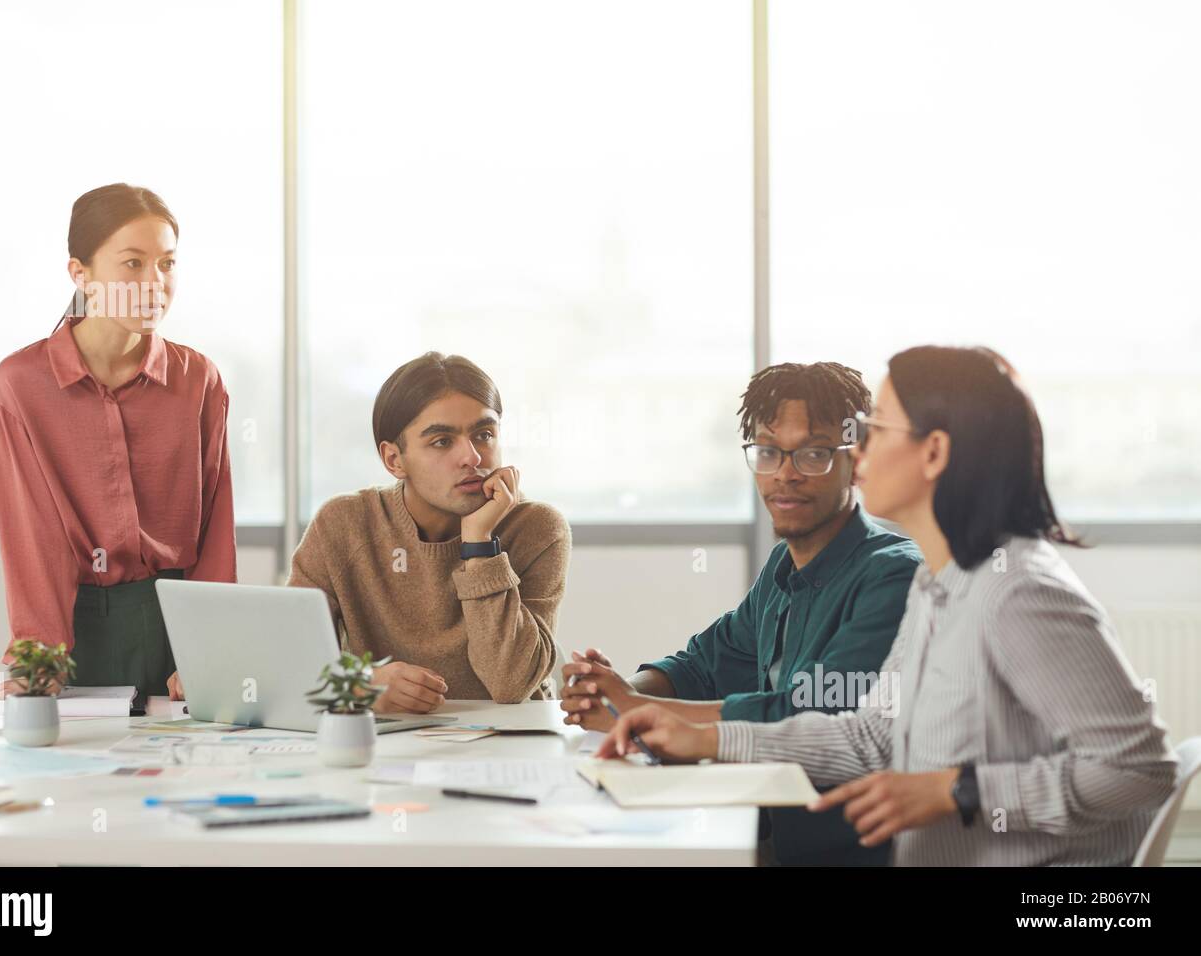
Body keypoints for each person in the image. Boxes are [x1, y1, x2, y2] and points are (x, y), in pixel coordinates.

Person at [599, 346, 1176, 866]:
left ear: (934, 452)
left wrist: (957, 791)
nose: (860, 448)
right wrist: (708, 737)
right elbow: (871, 738)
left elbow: (1141, 771)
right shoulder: (940, 581)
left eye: (874, 431)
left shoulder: (1019, 592)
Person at [561, 361, 921, 864]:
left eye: (814, 453)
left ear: (856, 459)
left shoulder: (893, 574)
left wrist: (637, 712)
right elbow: (706, 663)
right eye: (769, 452)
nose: (786, 473)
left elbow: (815, 714)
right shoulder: (784, 563)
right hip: (769, 837)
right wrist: (617, 688)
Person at [0, 183, 236, 709]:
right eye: (133, 263)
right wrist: (38, 664)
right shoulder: (20, 385)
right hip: (76, 636)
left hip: (181, 633)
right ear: (79, 273)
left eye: (167, 264)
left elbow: (216, 528)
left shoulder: (198, 378)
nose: (154, 283)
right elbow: (33, 537)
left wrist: (210, 651)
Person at [288, 352, 570, 712]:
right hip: (390, 744)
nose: (472, 457)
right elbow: (291, 664)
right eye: (441, 441)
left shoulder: (537, 528)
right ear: (394, 460)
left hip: (512, 739)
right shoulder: (343, 525)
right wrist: (361, 686)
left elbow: (510, 683)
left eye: (484, 434)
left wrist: (479, 545)